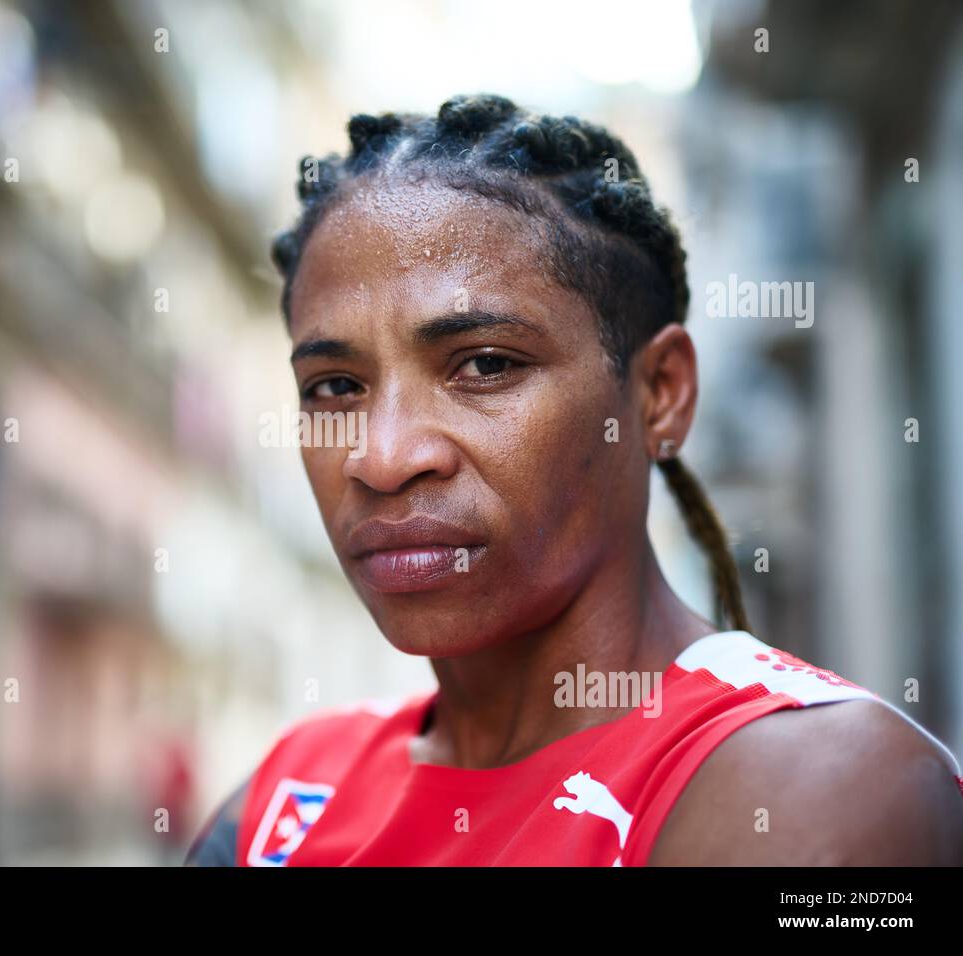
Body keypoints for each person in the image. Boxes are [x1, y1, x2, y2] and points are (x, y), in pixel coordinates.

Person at [185, 94, 963, 866]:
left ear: (660, 393)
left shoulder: (812, 787)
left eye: (486, 366)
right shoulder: (284, 802)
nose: (381, 458)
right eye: (334, 387)